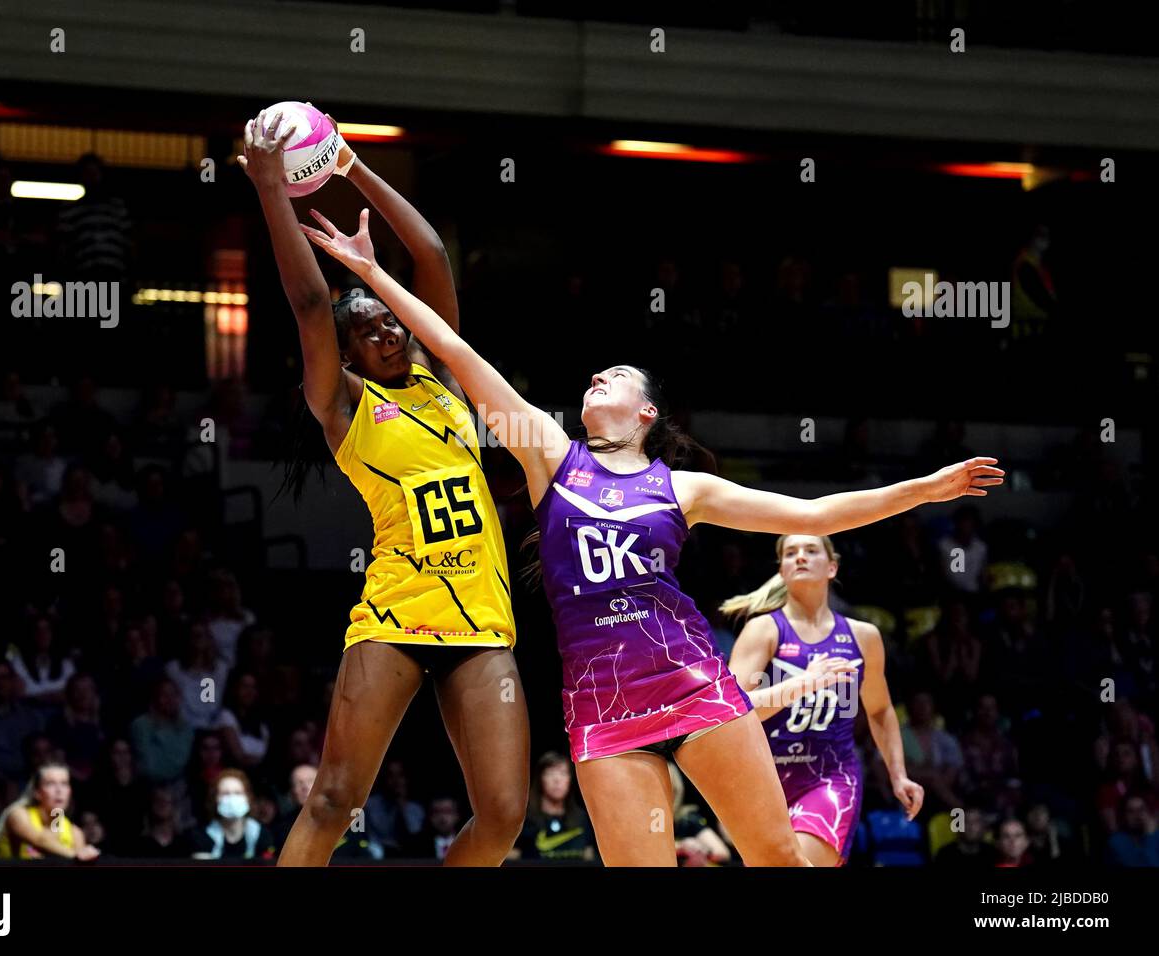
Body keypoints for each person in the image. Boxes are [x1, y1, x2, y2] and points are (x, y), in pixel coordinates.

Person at [297, 196, 1002, 866]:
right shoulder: (548, 452)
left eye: (619, 376)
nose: (598, 374)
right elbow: (450, 347)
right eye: (597, 373)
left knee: (776, 856)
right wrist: (367, 271)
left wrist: (927, 488)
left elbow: (813, 514)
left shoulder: (683, 488)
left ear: (645, 414)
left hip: (694, 684)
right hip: (604, 710)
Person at [241, 108, 529, 867]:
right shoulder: (343, 408)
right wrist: (274, 190)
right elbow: (309, 304)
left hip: (481, 619)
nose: (391, 331)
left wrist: (350, 165)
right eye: (370, 328)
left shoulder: (444, 381)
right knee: (336, 798)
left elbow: (430, 255)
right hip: (395, 614)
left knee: (502, 816)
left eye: (394, 322)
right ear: (348, 353)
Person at [724, 534, 924, 866]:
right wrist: (802, 684)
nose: (800, 557)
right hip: (764, 784)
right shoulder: (763, 631)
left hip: (831, 778)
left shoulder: (863, 636)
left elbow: (879, 709)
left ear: (832, 568)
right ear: (782, 570)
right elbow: (733, 710)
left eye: (811, 550)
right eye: (790, 553)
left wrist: (898, 774)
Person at [0, 760, 99, 860]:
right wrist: (76, 855)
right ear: (37, 792)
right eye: (50, 784)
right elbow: (40, 840)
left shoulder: (75, 833)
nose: (59, 790)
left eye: (64, 783)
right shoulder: (18, 815)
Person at [511, 752, 596, 862]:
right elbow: (511, 857)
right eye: (550, 773)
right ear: (540, 779)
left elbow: (589, 856)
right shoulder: (524, 819)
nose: (557, 780)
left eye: (563, 773)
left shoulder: (582, 817)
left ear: (570, 779)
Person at [188, 769, 277, 861]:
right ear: (215, 799)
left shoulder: (262, 835)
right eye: (225, 794)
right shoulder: (201, 837)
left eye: (238, 793)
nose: (232, 798)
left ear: (248, 798)